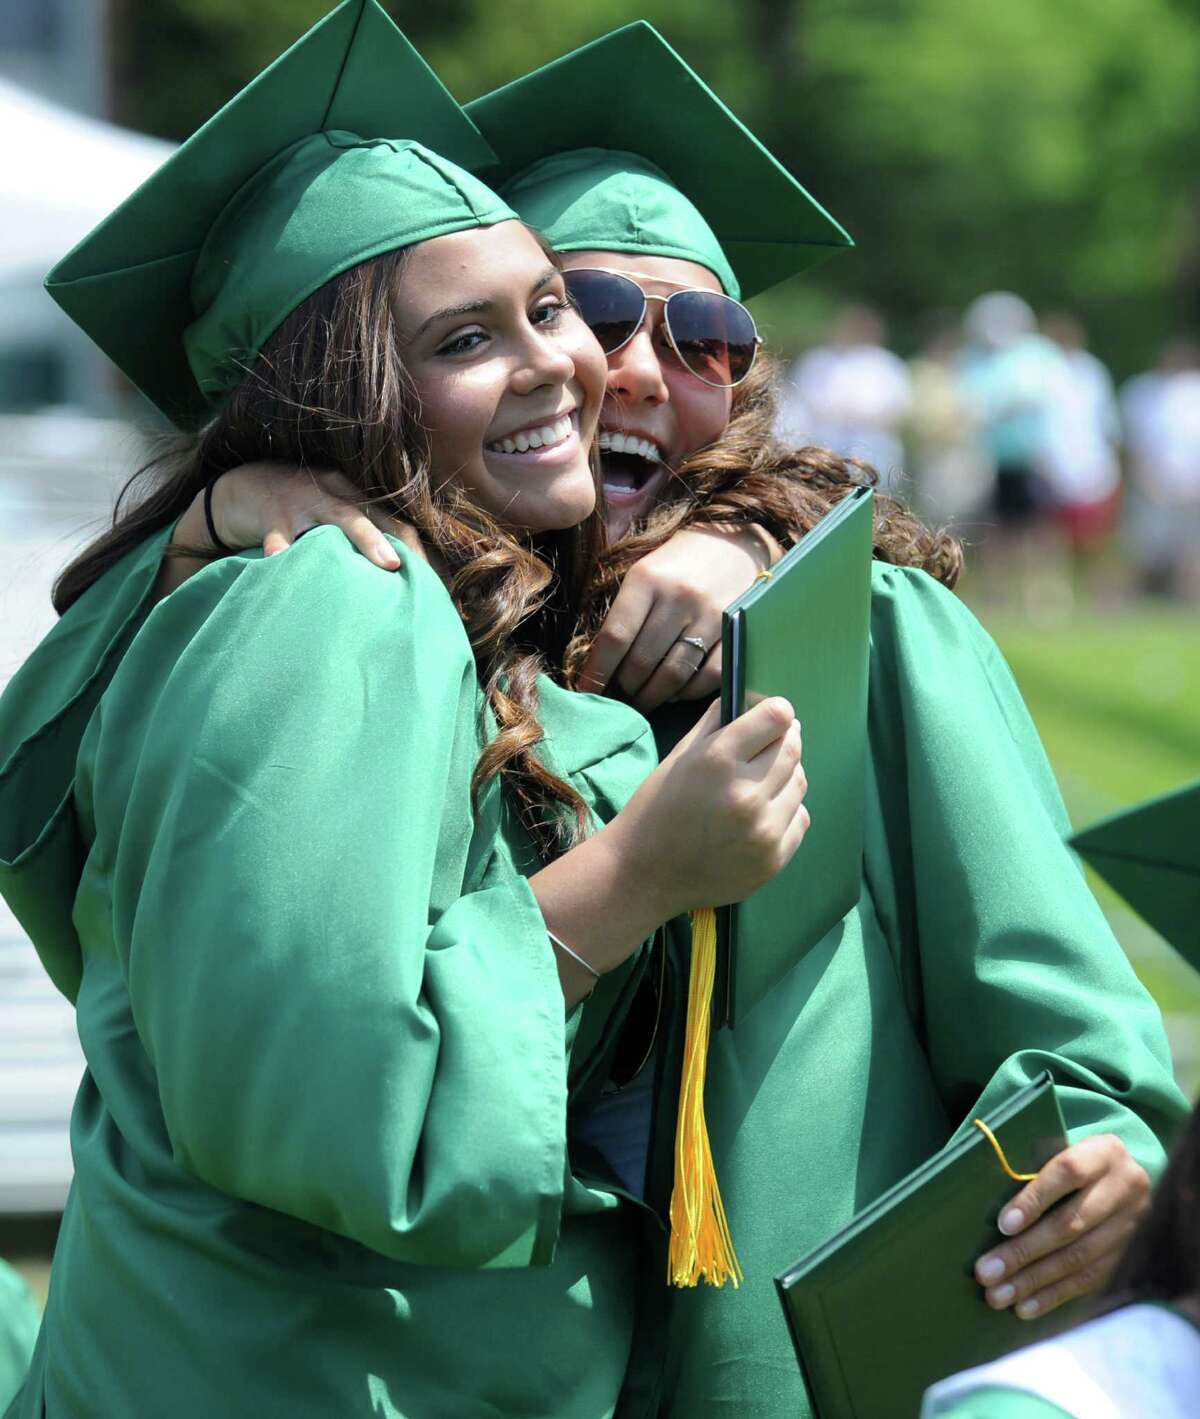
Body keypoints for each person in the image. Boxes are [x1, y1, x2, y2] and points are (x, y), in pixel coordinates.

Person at [22, 22, 1189, 1419]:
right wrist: (207, 519)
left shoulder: (877, 637)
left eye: (705, 335)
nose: (631, 366)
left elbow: (1071, 1032)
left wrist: (1107, 1149)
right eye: (592, 303)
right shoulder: (396, 619)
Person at [0, 7, 809, 1416]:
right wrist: (640, 873)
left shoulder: (380, 600)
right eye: (465, 338)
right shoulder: (333, 600)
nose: (564, 363)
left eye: (547, 305)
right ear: (351, 394)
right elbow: (327, 1099)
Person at [775, 303, 913, 493]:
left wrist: (860, 414)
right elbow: (802, 398)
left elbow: (897, 409)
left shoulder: (885, 364)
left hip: (873, 445)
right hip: (826, 441)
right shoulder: (819, 359)